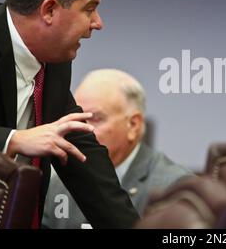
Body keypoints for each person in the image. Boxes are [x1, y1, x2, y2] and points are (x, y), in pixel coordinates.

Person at [0, 0, 138, 228]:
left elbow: (82, 154)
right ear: (49, 10)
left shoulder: (54, 61)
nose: (98, 23)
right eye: (89, 9)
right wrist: (13, 139)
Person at [42, 69, 193, 228]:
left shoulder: (174, 188)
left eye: (95, 118)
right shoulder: (58, 184)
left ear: (133, 125)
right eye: (77, 119)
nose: (81, 129)